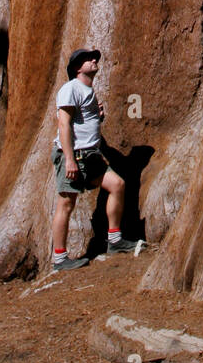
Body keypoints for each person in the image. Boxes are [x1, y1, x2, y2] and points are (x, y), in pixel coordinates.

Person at [50, 47, 142, 271]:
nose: (93, 61)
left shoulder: (87, 90)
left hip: (90, 156)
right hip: (73, 155)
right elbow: (64, 124)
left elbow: (82, 121)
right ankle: (59, 259)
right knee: (66, 204)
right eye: (87, 59)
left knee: (117, 185)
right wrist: (70, 160)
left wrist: (97, 116)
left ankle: (114, 240)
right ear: (76, 68)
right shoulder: (70, 89)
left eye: (94, 58)